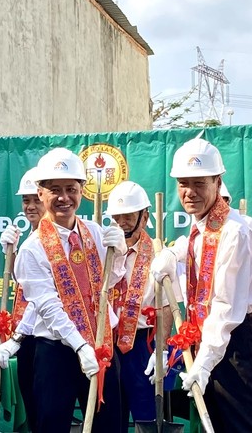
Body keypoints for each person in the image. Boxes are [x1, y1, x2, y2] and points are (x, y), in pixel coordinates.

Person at [149, 137, 252, 432]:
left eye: (199, 183)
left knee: (245, 425)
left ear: (217, 182)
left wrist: (204, 363)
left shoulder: (235, 233)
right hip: (211, 339)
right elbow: (196, 245)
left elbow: (225, 307)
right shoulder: (202, 224)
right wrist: (171, 252)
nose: (189, 192)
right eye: (183, 184)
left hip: (235, 343)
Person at [9, 148, 128, 433]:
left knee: (110, 424)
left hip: (102, 345)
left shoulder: (95, 233)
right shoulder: (32, 248)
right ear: (41, 193)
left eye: (71, 189)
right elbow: (48, 307)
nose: (64, 198)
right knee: (51, 424)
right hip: (57, 353)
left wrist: (120, 253)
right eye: (55, 190)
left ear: (82, 191)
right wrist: (80, 346)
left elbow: (107, 284)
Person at [105, 180, 179, 426]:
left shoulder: (160, 255)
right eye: (117, 217)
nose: (122, 223)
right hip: (107, 343)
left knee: (146, 417)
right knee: (108, 416)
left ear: (145, 217)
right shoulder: (103, 251)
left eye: (128, 217)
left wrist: (162, 349)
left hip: (142, 345)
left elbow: (168, 305)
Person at [0, 167, 44, 424]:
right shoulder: (30, 235)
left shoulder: (50, 238)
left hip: (44, 336)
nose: (30, 206)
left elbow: (43, 296)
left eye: (36, 199)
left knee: (44, 408)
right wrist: (10, 254)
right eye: (26, 200)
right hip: (27, 335)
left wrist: (17, 337)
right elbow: (23, 282)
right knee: (31, 403)